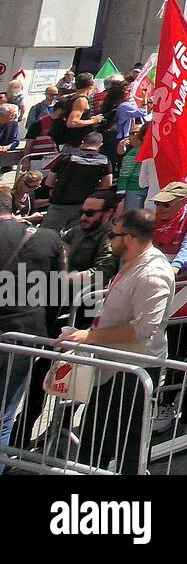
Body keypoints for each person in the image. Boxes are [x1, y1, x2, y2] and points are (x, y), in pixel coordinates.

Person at [58, 209, 175, 474]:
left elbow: (144, 328)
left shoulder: (152, 274)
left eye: (114, 234)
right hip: (113, 368)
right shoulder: (132, 263)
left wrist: (91, 336)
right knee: (96, 441)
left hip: (132, 372)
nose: (109, 239)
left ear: (130, 238)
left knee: (125, 447)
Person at [0, 193, 64, 466]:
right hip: (24, 333)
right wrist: (45, 331)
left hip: (19, 333)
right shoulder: (47, 238)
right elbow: (57, 292)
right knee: (4, 414)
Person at [40, 132, 113, 233]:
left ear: (82, 143)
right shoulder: (104, 161)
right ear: (100, 145)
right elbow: (106, 185)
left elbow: (49, 182)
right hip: (84, 204)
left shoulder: (66, 157)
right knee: (74, 235)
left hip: (60, 201)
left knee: (46, 234)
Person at [149, 181, 187, 278]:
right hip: (153, 268)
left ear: (182, 202)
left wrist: (175, 267)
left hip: (181, 271)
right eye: (157, 203)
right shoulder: (151, 218)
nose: (160, 208)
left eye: (166, 204)